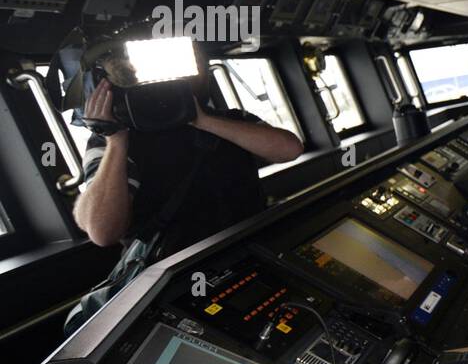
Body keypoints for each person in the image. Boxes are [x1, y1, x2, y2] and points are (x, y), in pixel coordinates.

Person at [74, 68, 302, 257]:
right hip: (177, 265)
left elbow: (290, 149)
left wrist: (203, 120)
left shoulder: (231, 121)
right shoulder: (116, 142)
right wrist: (116, 141)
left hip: (251, 246)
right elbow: (103, 232)